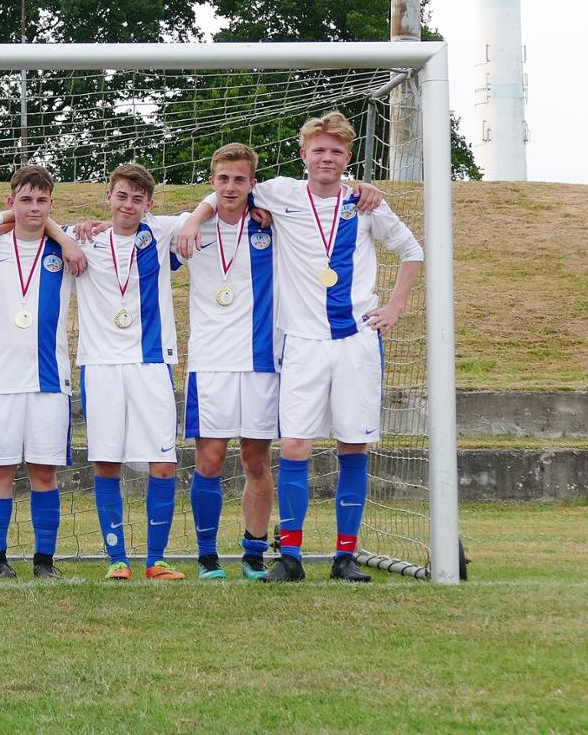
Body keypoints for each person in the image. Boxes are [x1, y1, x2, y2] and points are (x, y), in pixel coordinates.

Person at [178, 112, 421, 582]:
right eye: (319, 150)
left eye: (335, 151)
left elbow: (412, 250)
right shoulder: (282, 193)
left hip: (356, 342)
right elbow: (230, 189)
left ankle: (344, 556)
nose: (326, 158)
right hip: (302, 345)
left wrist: (394, 308)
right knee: (292, 446)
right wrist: (195, 215)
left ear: (347, 158)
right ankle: (289, 555)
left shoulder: (363, 203)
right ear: (304, 154)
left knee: (353, 445)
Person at [73, 162, 188, 581]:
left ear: (149, 204)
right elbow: (34, 221)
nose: (128, 204)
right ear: (109, 197)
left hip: (151, 363)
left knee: (164, 462)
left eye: (137, 198)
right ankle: (117, 559)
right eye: (121, 196)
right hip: (101, 365)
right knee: (106, 462)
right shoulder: (81, 240)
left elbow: (213, 205)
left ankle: (156, 559)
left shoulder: (160, 233)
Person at [0, 166, 78, 579]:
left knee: (44, 472)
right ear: (11, 203)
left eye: (42, 201)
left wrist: (64, 236)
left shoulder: (65, 250)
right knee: (0, 472)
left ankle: (44, 562)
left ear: (51, 205)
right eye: (25, 200)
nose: (34, 208)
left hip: (50, 379)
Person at [176, 143, 279, 580]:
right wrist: (199, 214)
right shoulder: (185, 228)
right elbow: (126, 226)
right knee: (210, 460)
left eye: (240, 179)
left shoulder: (274, 223)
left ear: (253, 184)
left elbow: (315, 193)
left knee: (256, 460)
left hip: (260, 360)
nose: (230, 187)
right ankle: (207, 557)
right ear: (211, 182)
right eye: (222, 179)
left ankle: (254, 554)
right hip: (211, 362)